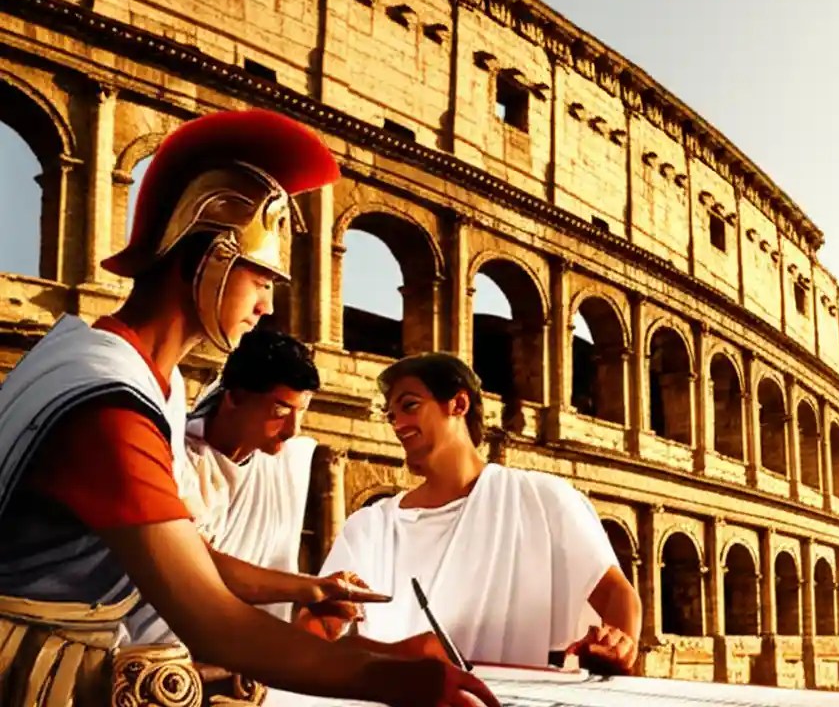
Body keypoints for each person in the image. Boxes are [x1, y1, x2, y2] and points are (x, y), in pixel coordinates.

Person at [0, 109, 498, 707]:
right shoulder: (109, 402)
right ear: (207, 259)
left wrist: (306, 589)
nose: (265, 306)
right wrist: (400, 680)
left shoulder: (148, 379)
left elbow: (182, 552)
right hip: (31, 676)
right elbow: (215, 623)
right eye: (260, 279)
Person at [296, 352, 643, 676]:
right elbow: (318, 637)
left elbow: (616, 594)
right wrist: (407, 654)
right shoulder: (371, 527)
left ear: (458, 403)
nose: (397, 423)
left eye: (409, 406)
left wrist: (618, 645)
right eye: (391, 416)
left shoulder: (545, 498)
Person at [125, 329, 325, 647]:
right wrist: (310, 587)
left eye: (301, 412)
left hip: (247, 667)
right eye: (280, 411)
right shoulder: (177, 458)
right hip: (154, 658)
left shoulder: (288, 466)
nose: (293, 430)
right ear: (234, 397)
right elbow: (198, 568)